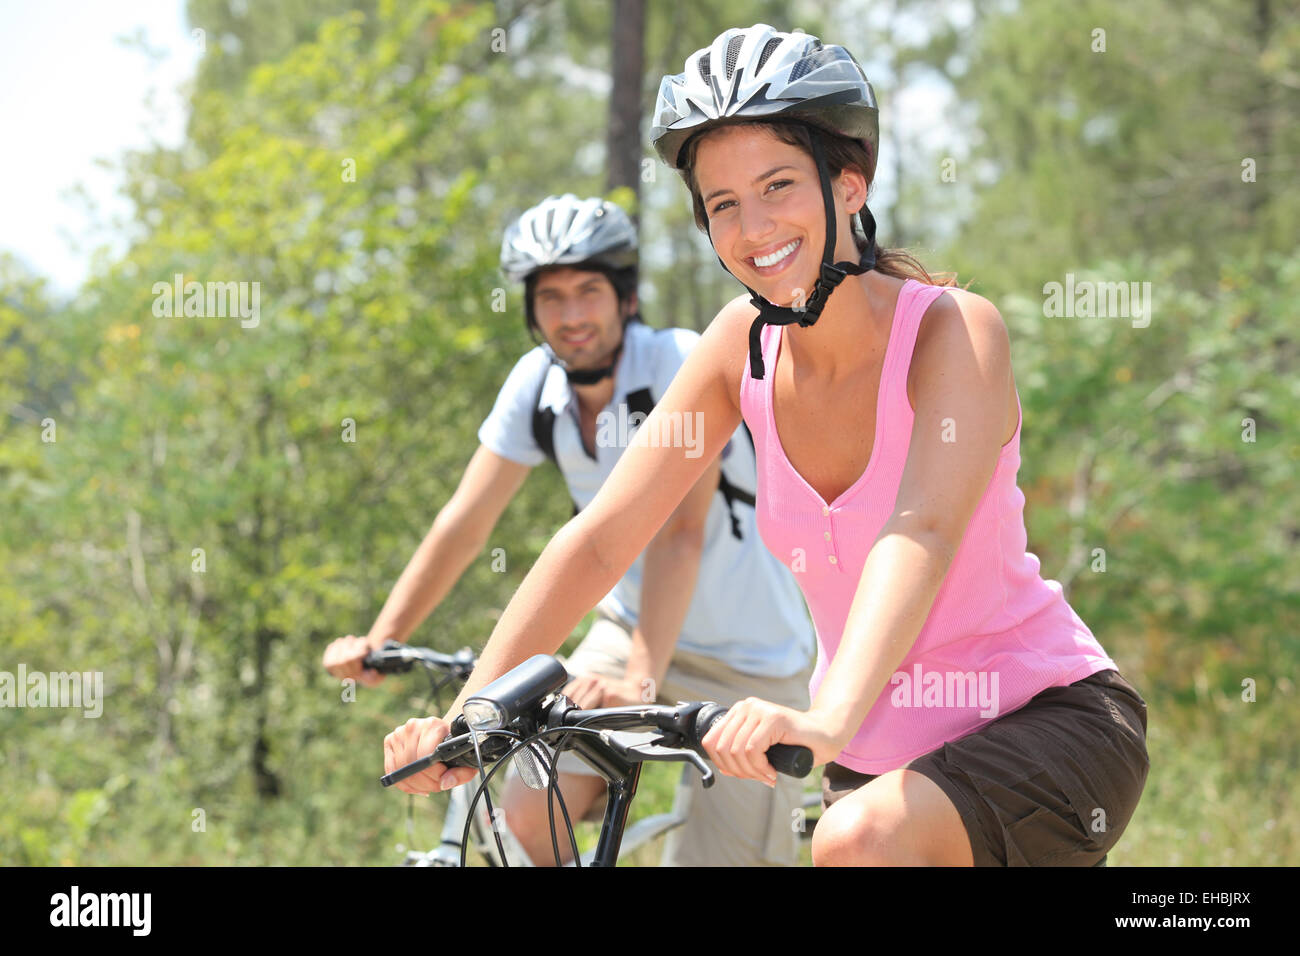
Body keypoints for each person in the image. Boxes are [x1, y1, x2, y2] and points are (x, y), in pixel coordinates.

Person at [385, 24, 1149, 867]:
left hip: (1042, 722)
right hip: (871, 760)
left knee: (854, 843)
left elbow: (920, 532)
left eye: (778, 185)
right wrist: (471, 717)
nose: (753, 228)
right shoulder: (736, 349)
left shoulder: (952, 333)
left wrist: (825, 719)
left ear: (848, 184)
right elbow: (602, 537)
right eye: (722, 205)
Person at [329, 193, 816, 866]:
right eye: (551, 298)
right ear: (531, 311)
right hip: (626, 633)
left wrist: (642, 684)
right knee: (527, 811)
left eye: (590, 291)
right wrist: (383, 638)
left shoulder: (678, 360)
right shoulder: (535, 388)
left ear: (625, 299)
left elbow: (678, 536)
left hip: (749, 656)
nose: (572, 315)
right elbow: (465, 523)